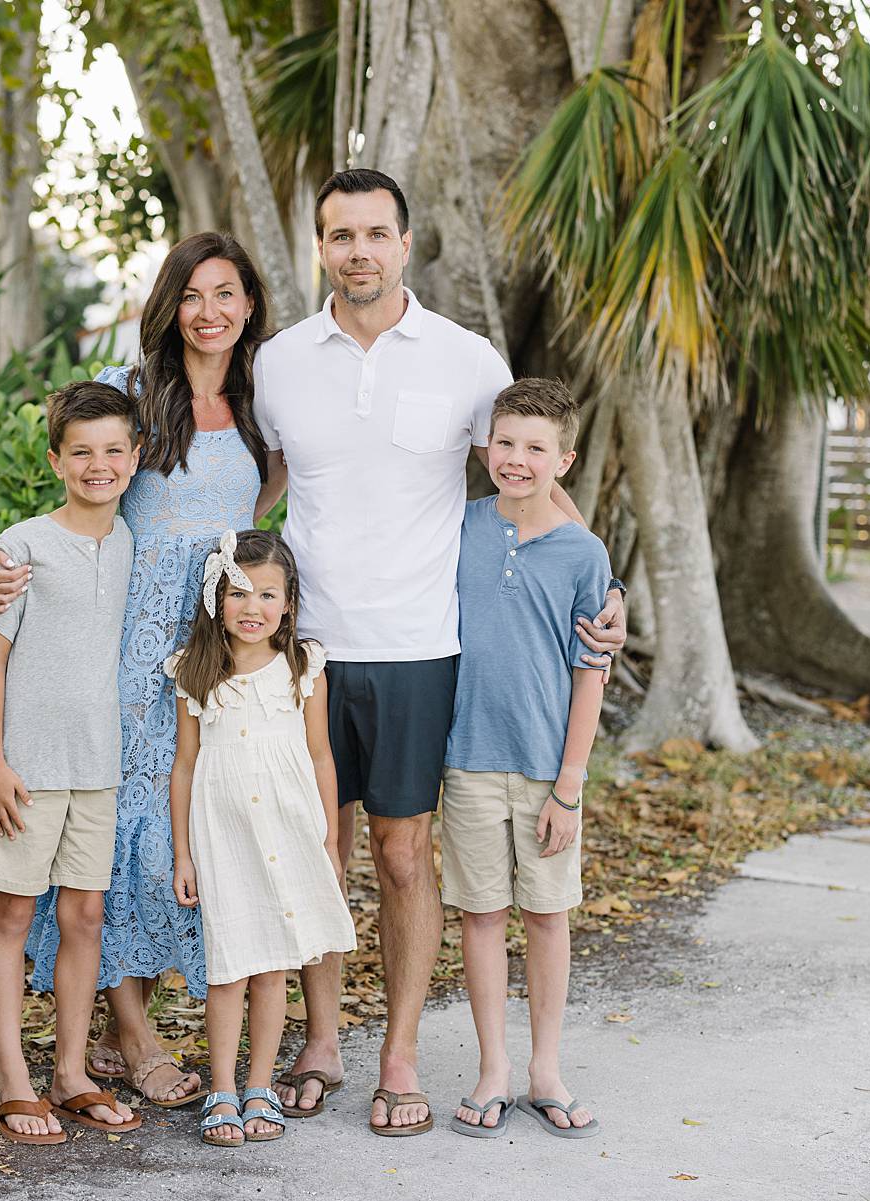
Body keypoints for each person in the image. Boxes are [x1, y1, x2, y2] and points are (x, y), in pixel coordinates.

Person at [253, 169, 628, 1134]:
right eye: (342, 235)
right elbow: (265, 484)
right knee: (320, 852)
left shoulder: (467, 359)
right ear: (321, 248)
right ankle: (322, 1040)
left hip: (420, 649)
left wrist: (604, 586)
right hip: (306, 650)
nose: (360, 251)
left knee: (403, 854)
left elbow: (530, 473)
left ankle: (401, 1054)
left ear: (406, 244)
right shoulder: (279, 363)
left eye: (377, 233)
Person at [0, 233, 283, 1108]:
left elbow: (256, 502)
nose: (209, 312)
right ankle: (135, 1035)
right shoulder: (139, 391)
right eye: (191, 294)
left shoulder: (262, 404)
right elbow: (81, 487)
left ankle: (114, 1032)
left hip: (210, 643)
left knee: (180, 824)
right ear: (169, 305)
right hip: (125, 643)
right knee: (123, 832)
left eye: (225, 293)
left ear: (249, 304)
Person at [0, 380, 143, 1145]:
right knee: (12, 912)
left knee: (85, 915)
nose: (97, 465)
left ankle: (71, 1072)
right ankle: (14, 1078)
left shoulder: (130, 540)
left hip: (97, 765)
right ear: (55, 460)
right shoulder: (23, 546)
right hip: (27, 766)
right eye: (81, 452)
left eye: (112, 450)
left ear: (134, 459)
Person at [440, 379, 609, 1140]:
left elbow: (590, 671)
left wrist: (569, 785)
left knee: (546, 915)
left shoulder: (583, 553)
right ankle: (493, 1068)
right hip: (468, 758)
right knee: (481, 914)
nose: (516, 459)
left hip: (547, 769)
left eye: (536, 448)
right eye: (505, 442)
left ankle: (546, 1069)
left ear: (563, 461)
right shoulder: (460, 524)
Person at [167, 529, 356, 1147]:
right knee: (228, 967)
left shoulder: (302, 666)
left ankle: (259, 1087)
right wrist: (183, 855)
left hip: (287, 829)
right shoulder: (195, 672)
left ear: (288, 602)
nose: (253, 608)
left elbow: (321, 755)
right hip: (223, 838)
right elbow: (185, 766)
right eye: (239, 593)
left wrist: (328, 841)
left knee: (274, 966)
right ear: (216, 600)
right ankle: (222, 1089)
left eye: (267, 594)